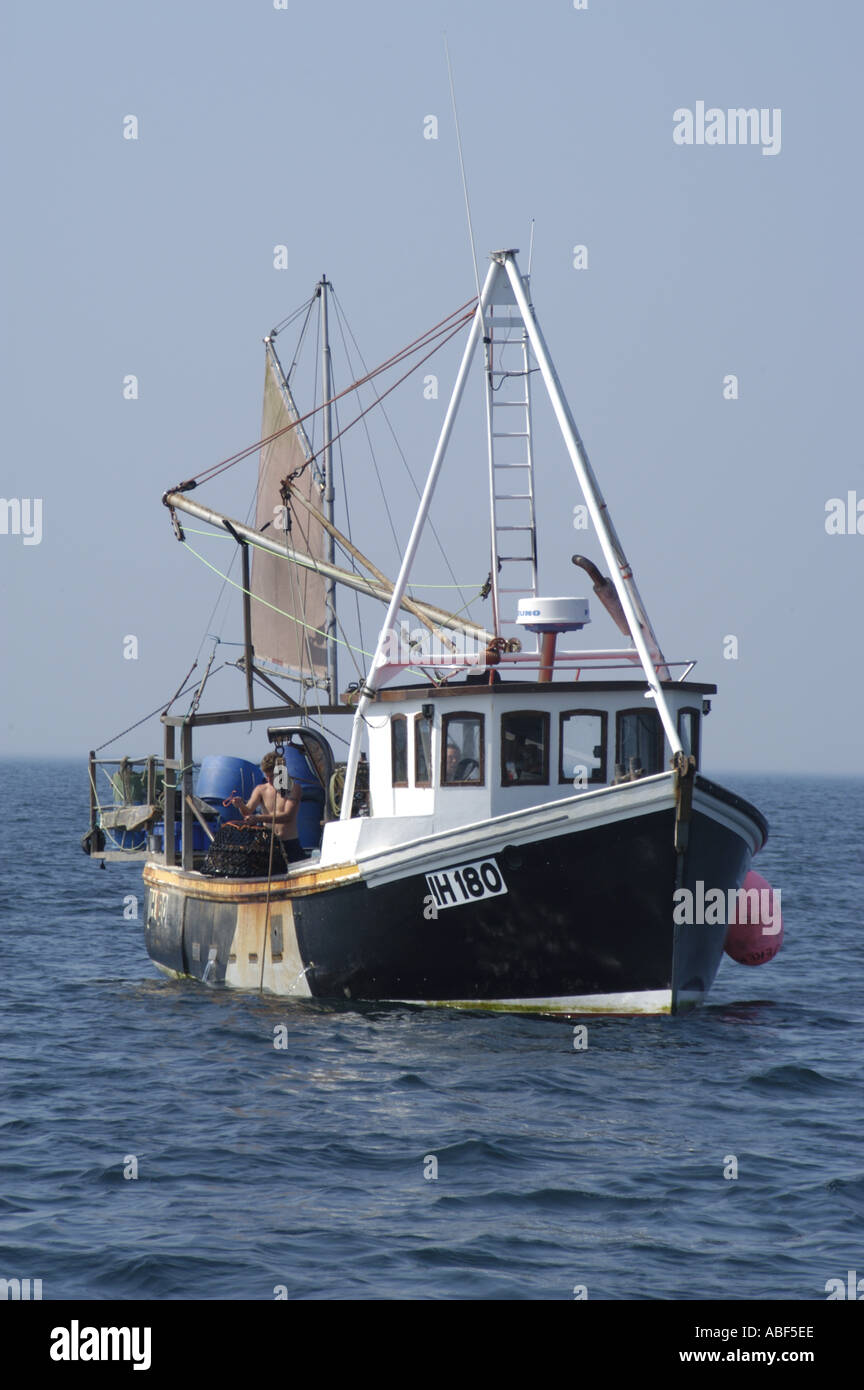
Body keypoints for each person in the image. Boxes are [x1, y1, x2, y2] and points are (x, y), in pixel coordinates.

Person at [226, 752, 308, 864]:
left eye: (272, 776)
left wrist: (259, 818)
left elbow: (288, 816)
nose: (268, 780)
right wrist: (240, 805)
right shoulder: (261, 789)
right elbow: (248, 812)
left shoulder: (294, 789)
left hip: (289, 843)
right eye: (266, 776)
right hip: (268, 843)